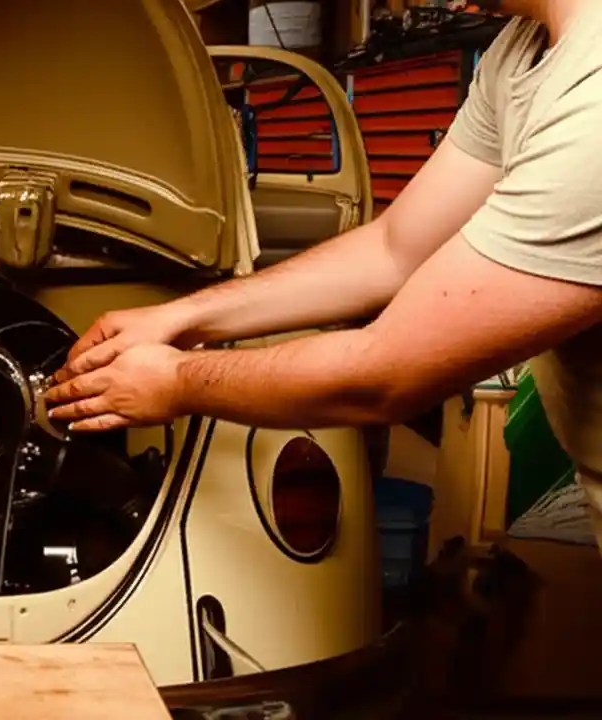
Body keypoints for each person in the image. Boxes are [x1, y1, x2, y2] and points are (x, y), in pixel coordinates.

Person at [46, 0, 602, 545]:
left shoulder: (593, 92)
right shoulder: (520, 49)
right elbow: (393, 248)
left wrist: (175, 381)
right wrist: (182, 317)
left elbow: (386, 373)